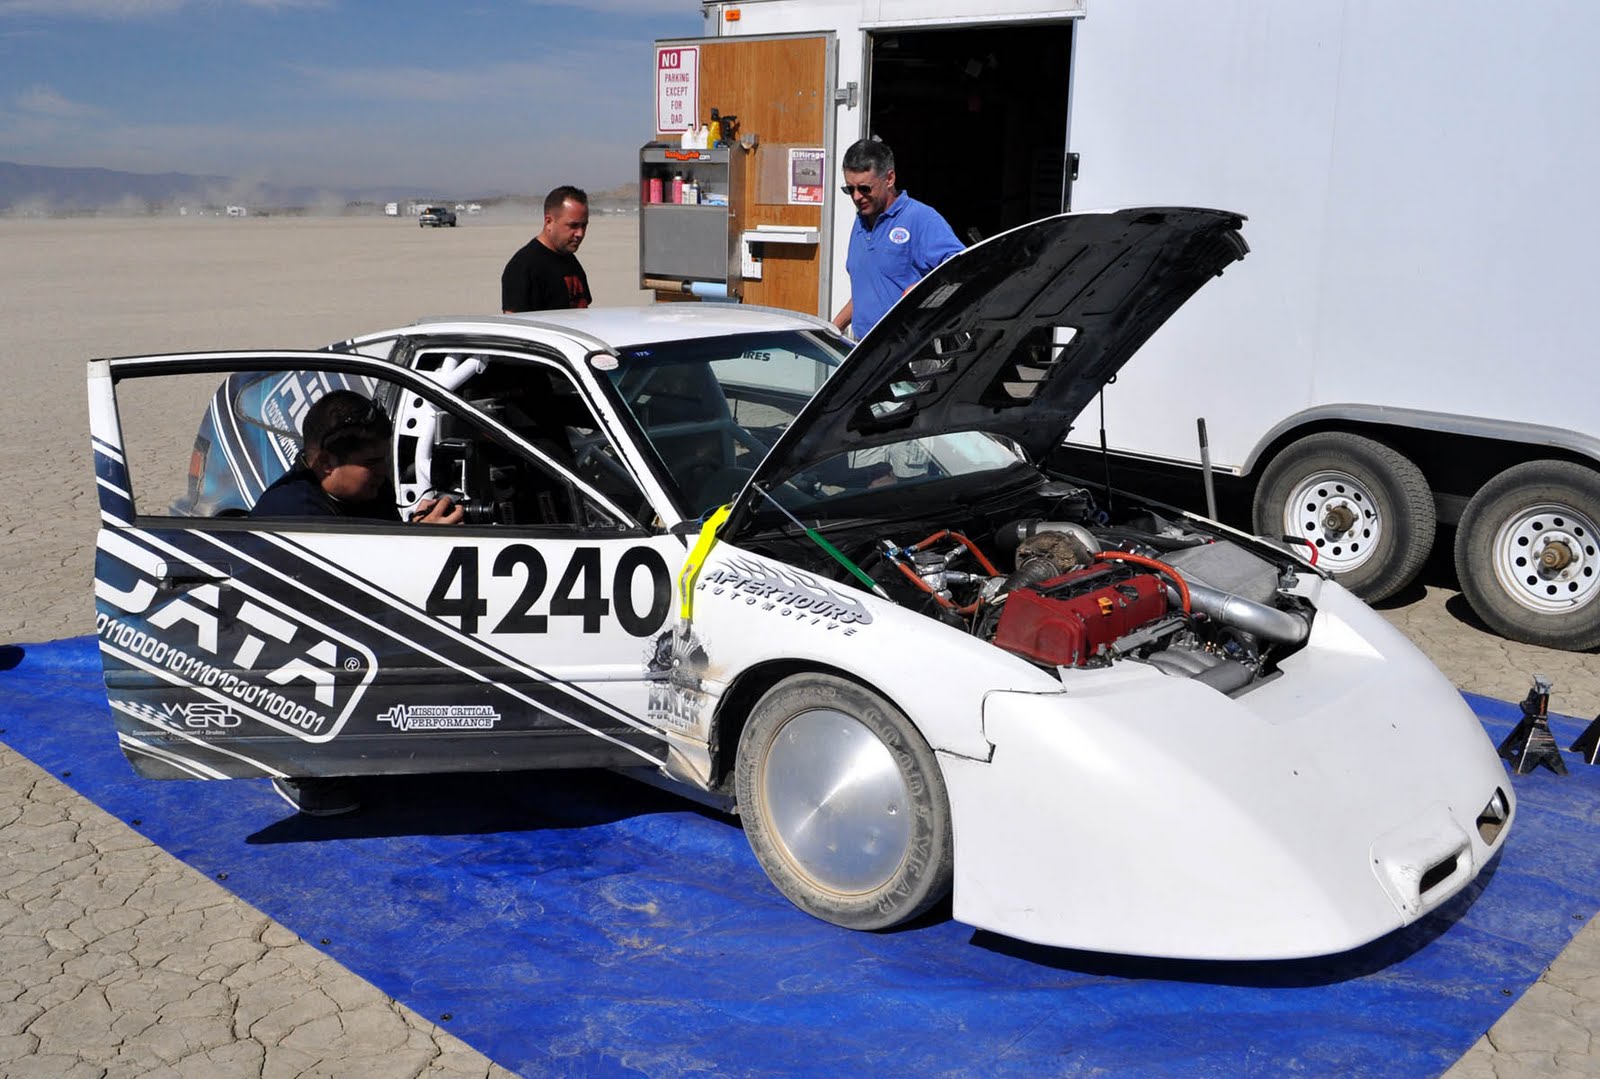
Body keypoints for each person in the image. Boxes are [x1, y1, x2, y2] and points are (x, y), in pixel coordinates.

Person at [252, 390, 463, 816]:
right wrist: (418, 546)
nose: (385, 474)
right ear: (326, 463)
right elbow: (350, 602)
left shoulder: (360, 492)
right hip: (294, 659)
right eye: (372, 463)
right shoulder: (292, 516)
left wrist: (411, 530)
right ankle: (301, 768)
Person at [831, 139, 964, 342]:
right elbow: (868, 292)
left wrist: (923, 287)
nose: (857, 197)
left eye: (864, 188)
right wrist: (833, 329)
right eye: (850, 189)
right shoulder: (861, 222)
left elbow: (963, 270)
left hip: (910, 350)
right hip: (864, 349)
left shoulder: (921, 218)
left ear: (890, 178)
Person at [501, 185, 592, 313]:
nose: (580, 233)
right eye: (573, 225)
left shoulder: (570, 260)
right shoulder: (523, 267)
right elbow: (515, 326)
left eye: (584, 225)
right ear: (549, 221)